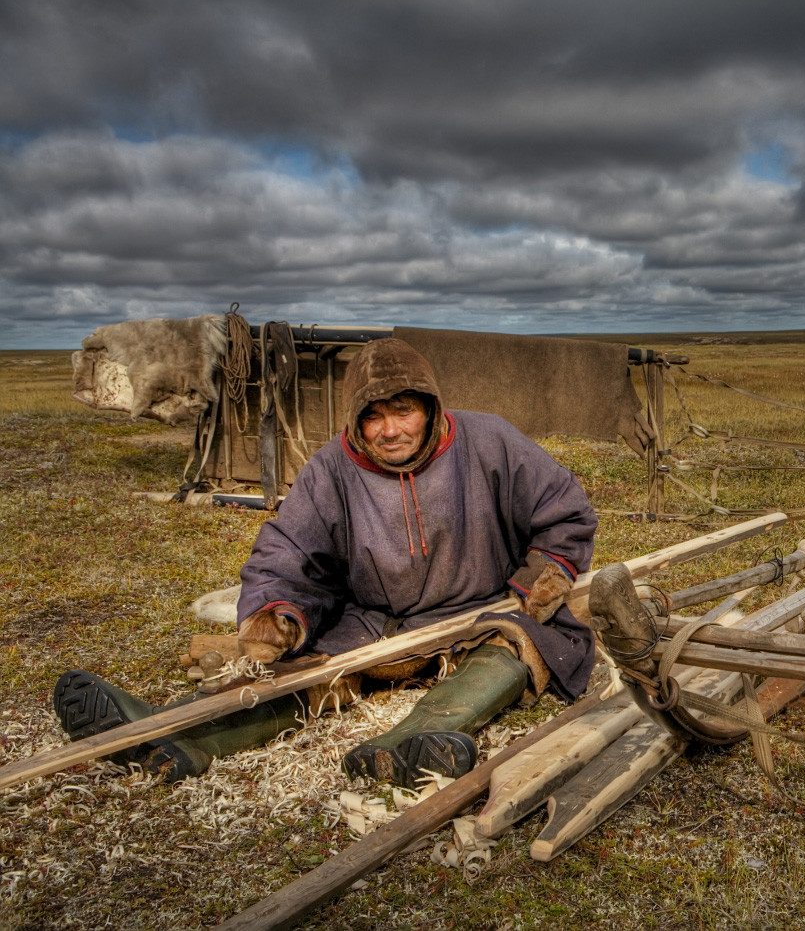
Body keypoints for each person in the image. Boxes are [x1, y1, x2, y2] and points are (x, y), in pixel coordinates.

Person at [53, 337, 597, 788]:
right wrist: (275, 615)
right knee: (306, 674)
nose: (390, 430)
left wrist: (538, 580)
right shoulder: (332, 468)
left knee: (515, 645)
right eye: (373, 416)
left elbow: (565, 511)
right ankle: (175, 736)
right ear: (354, 421)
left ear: (431, 407)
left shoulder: (489, 442)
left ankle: (409, 744)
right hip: (377, 621)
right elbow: (288, 552)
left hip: (479, 611)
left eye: (403, 411)